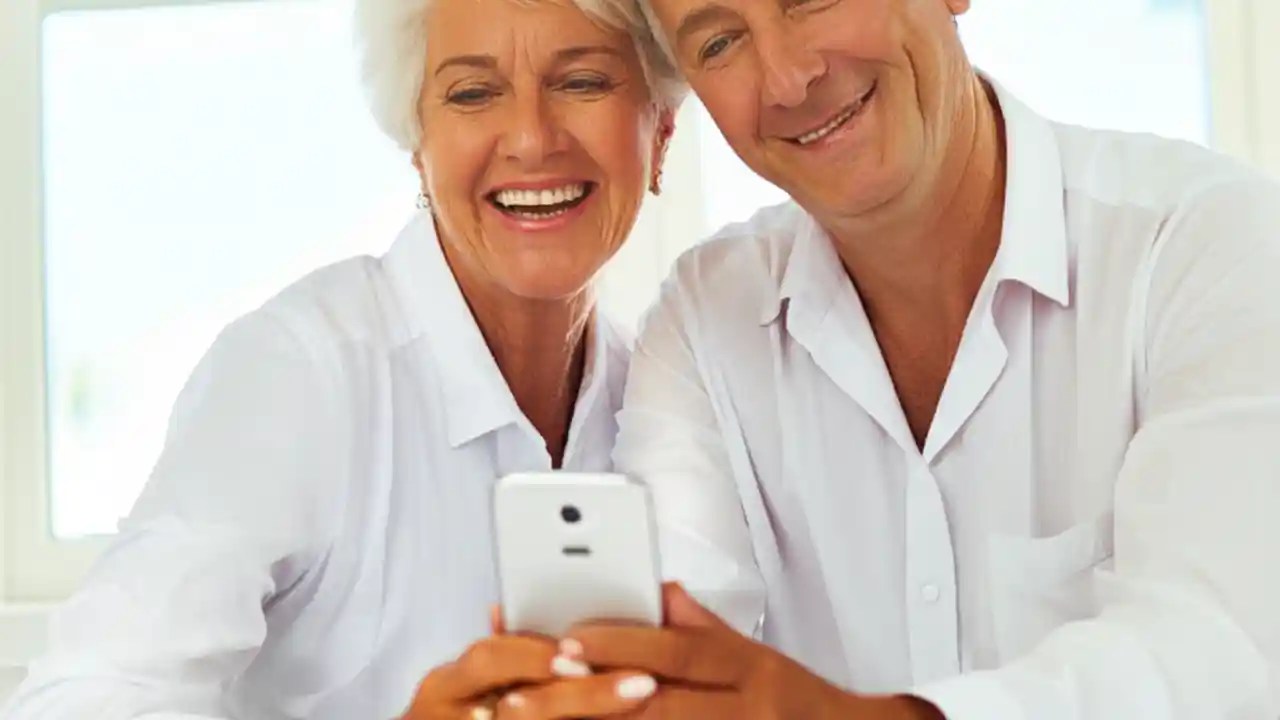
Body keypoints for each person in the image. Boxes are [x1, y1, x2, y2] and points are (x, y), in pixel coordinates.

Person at [561, 0, 1280, 718]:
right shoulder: (703, 320)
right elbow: (660, 641)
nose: (787, 79)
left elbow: (1218, 649)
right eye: (720, 43)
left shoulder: (1206, 243)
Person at [0, 0, 681, 717]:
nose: (531, 138)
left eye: (582, 82)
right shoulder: (302, 372)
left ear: (661, 129)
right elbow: (76, 702)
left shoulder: (665, 403)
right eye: (472, 93)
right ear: (418, 146)